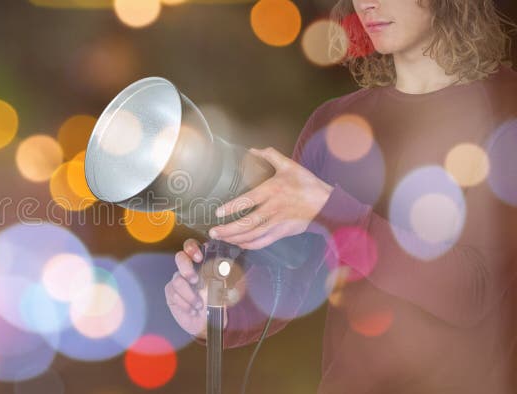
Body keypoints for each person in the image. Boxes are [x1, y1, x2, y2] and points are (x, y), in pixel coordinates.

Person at [164, 0, 517, 392]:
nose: (367, 3)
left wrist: (327, 209)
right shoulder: (332, 124)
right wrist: (219, 313)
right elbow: (290, 279)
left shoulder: (505, 111)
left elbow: (472, 291)